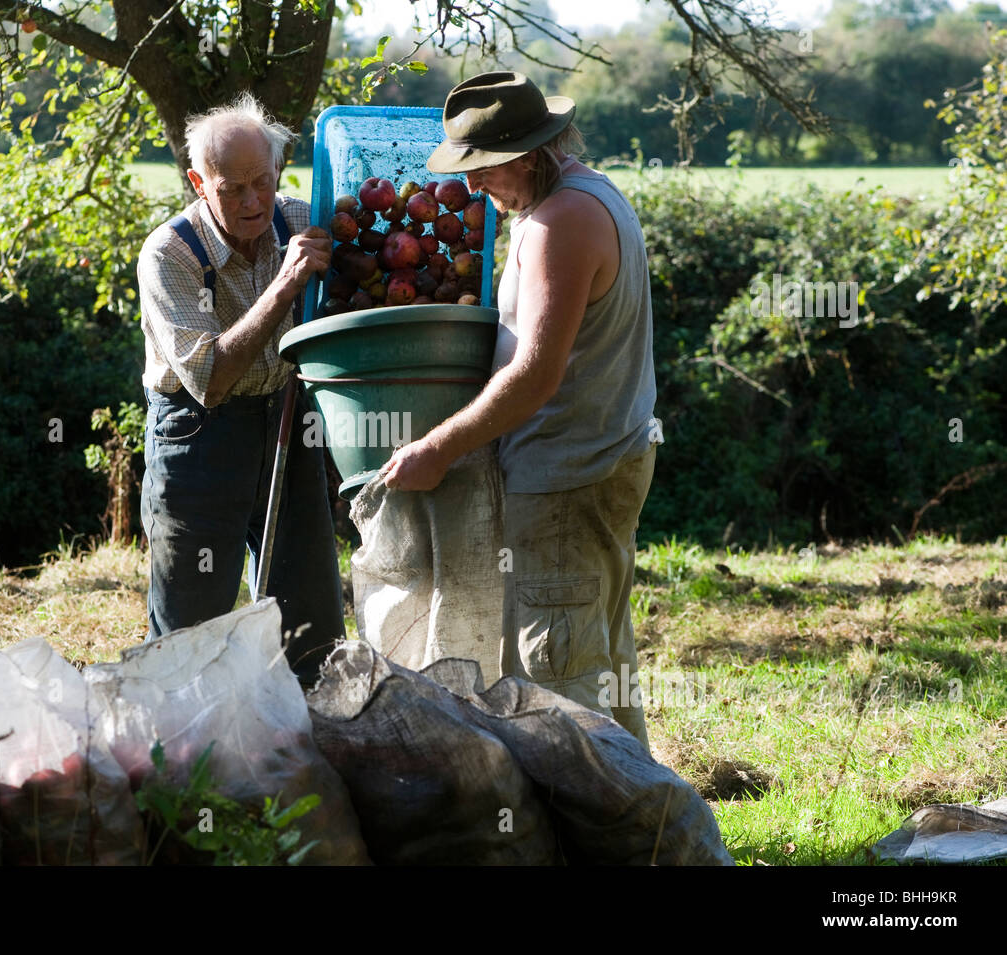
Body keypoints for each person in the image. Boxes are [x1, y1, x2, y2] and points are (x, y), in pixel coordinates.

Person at [380, 72, 662, 749]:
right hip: (600, 457)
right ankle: (644, 829)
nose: (474, 189)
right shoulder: (582, 196)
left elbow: (535, 376)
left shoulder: (560, 223)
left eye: (485, 170)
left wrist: (437, 448)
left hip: (568, 472)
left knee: (557, 673)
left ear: (529, 154)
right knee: (601, 658)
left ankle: (590, 823)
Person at [136, 92, 344, 686]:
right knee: (190, 626)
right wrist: (284, 286)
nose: (254, 201)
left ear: (280, 170)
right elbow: (210, 379)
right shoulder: (169, 255)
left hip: (286, 420)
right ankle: (178, 762)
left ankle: (305, 750)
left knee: (312, 621)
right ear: (199, 181)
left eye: (264, 181)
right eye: (233, 188)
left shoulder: (302, 219)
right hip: (199, 436)